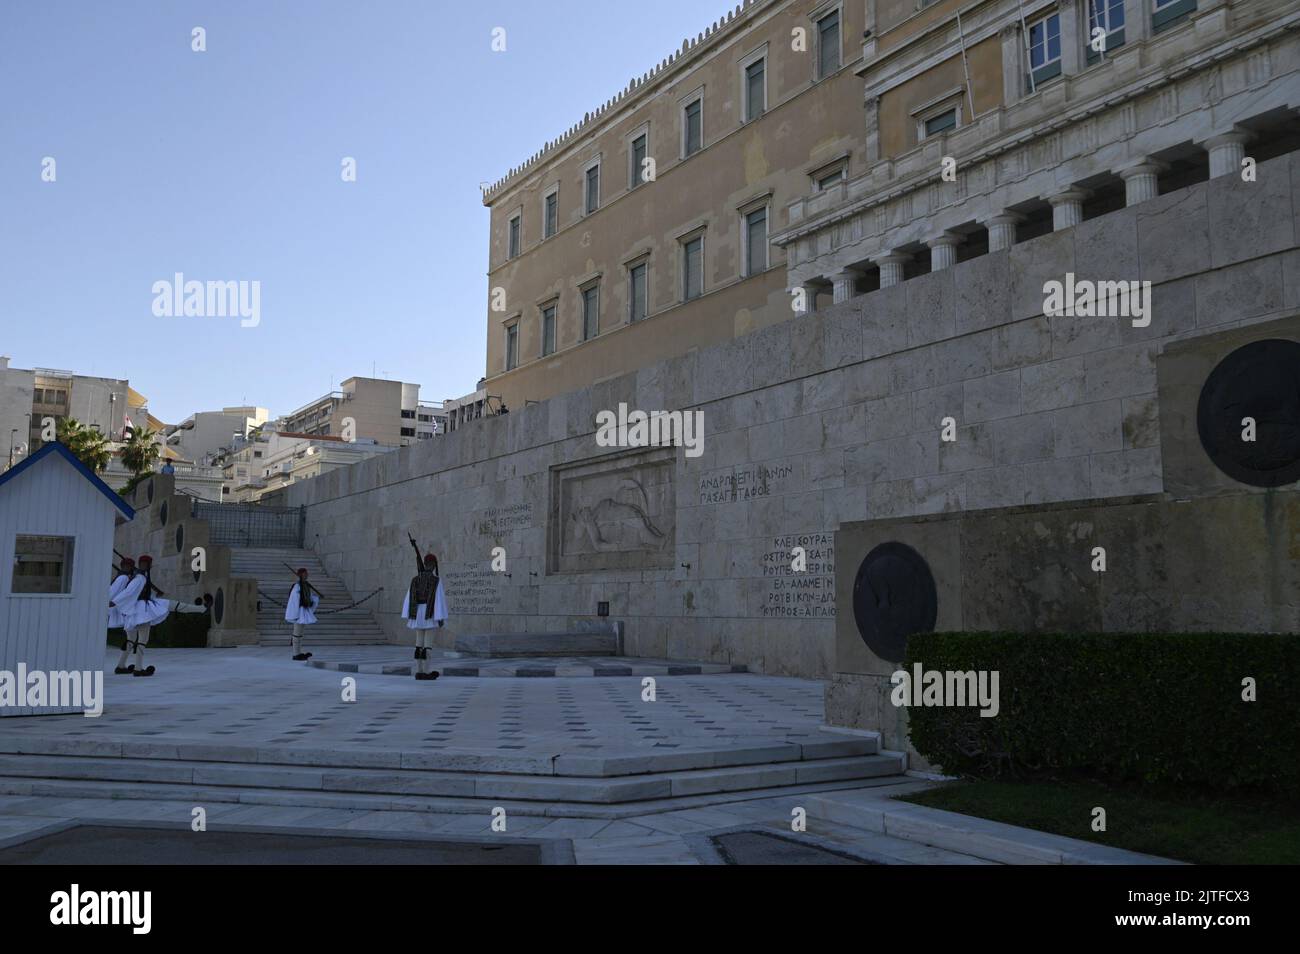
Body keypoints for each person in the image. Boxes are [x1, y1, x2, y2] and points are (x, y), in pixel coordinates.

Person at [113, 554, 172, 677]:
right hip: (141, 612)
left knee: (130, 640)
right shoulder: (140, 578)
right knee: (142, 640)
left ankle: (120, 665)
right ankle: (138, 668)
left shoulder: (137, 576)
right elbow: (128, 592)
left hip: (133, 612)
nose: (146, 565)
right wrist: (114, 601)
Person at [401, 532, 446, 681]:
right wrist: (440, 618)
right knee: (427, 645)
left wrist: (409, 615)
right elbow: (438, 600)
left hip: (417, 614)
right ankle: (426, 672)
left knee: (418, 644)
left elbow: (409, 598)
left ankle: (418, 670)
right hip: (429, 614)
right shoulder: (435, 580)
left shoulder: (415, 579)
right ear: (433, 566)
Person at [285, 568, 320, 661]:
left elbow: (309, 596)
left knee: (300, 633)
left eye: (306, 573)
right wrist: (295, 614)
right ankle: (296, 654)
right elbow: (294, 600)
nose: (307, 575)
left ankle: (298, 653)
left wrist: (313, 600)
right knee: (297, 633)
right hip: (298, 612)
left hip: (303, 611)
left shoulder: (305, 585)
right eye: (305, 574)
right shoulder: (297, 586)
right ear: (301, 575)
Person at [107, 557, 135, 633]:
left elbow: (113, 592)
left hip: (111, 606)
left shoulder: (123, 577)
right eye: (124, 565)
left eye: (128, 566)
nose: (126, 567)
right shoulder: (122, 577)